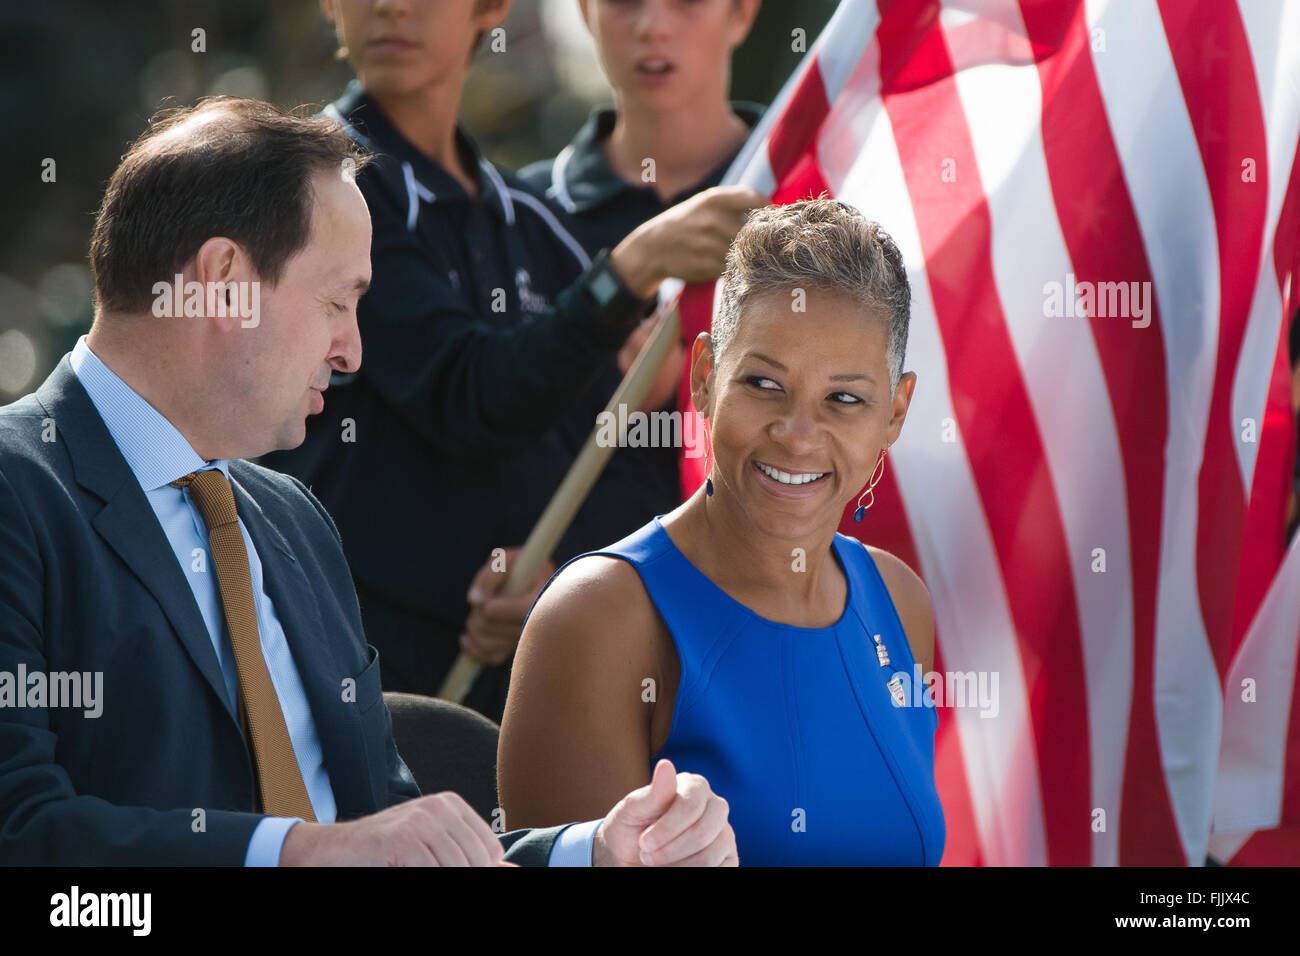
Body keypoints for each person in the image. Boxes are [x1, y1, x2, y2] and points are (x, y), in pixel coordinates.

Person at [0, 97, 738, 867]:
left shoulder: (294, 524)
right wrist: (299, 853)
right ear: (222, 282)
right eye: (338, 301)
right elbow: (20, 834)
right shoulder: (17, 491)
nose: (353, 351)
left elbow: (386, 835)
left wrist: (593, 852)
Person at [260, 0, 765, 719]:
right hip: (344, 685)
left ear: (491, 8)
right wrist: (631, 267)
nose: (392, 7)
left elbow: (560, 457)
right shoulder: (317, 188)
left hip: (492, 698)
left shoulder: (520, 215)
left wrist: (534, 578)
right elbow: (470, 396)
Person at [498, 199, 946, 865]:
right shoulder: (598, 618)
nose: (797, 434)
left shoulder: (899, 601)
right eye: (764, 384)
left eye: (844, 399)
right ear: (705, 377)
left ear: (896, 412)